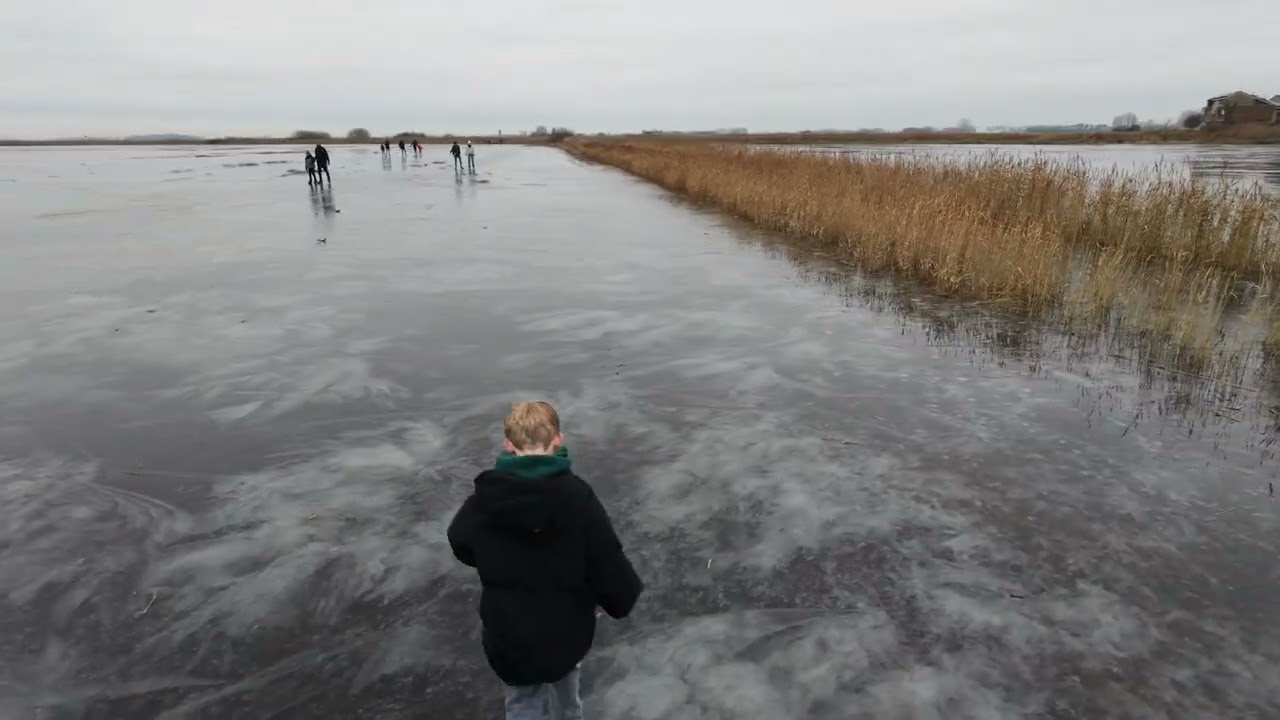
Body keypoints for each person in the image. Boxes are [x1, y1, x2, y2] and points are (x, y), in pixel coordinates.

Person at [448, 401, 642, 720]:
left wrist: (495, 559)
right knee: (568, 694)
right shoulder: (577, 498)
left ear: (508, 445)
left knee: (522, 703)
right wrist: (621, 598)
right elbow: (604, 558)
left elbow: (460, 541)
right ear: (557, 441)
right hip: (566, 630)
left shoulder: (484, 500)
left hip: (508, 635)